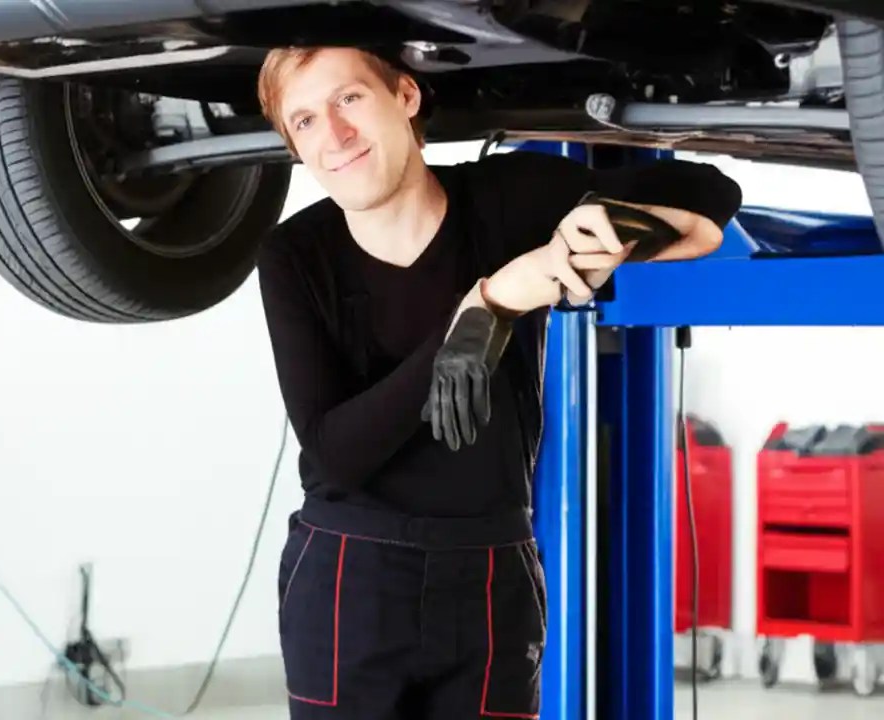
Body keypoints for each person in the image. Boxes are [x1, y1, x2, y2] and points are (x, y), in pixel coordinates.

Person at [253, 46, 742, 719]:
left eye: (350, 99)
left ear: (405, 96)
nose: (333, 135)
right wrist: (489, 304)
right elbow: (334, 454)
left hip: (490, 572)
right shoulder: (295, 254)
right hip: (349, 580)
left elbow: (709, 195)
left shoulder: (512, 199)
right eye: (303, 121)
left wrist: (612, 234)